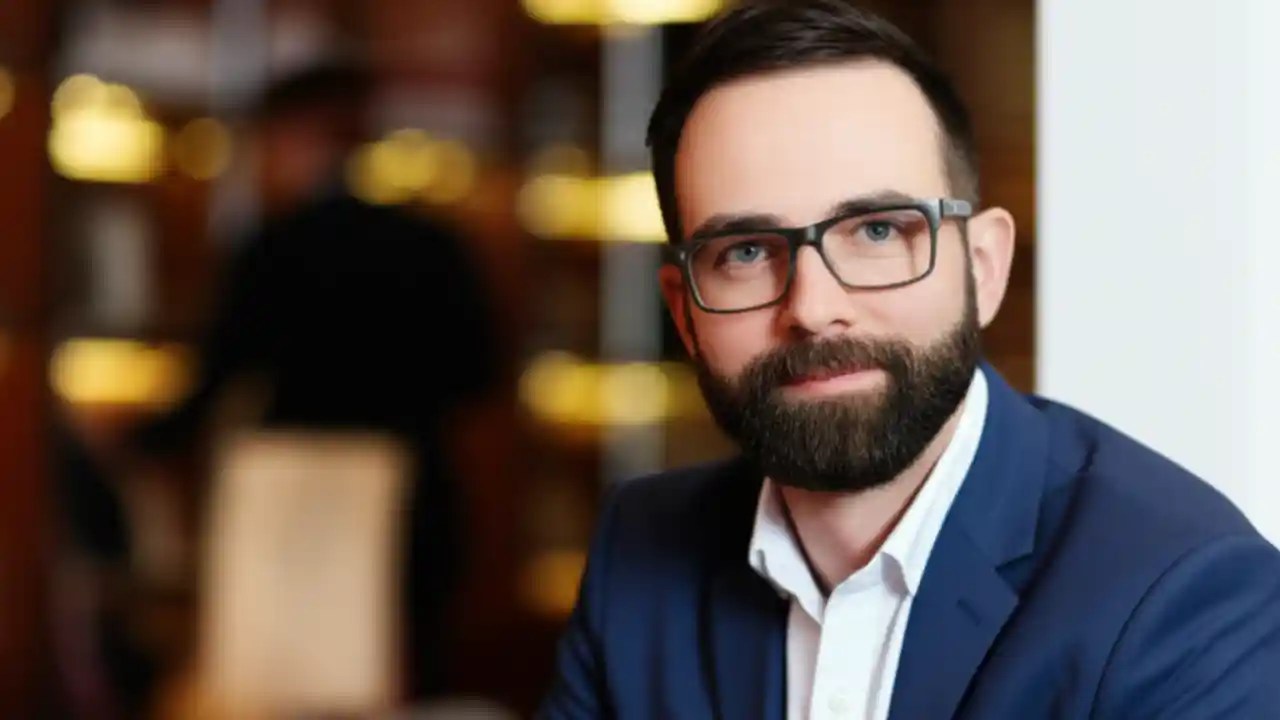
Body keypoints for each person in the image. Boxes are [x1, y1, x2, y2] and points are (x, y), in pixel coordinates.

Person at [540, 2, 1280, 718]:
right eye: (746, 252)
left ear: (984, 267)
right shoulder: (639, 553)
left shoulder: (1182, 599)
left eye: (878, 232)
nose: (813, 307)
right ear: (683, 314)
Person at [129, 62, 501, 698]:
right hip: (416, 485)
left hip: (298, 497)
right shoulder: (433, 244)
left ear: (299, 138)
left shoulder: (273, 247)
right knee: (403, 675)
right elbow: (479, 374)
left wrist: (133, 443)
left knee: (288, 682)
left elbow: (219, 373)